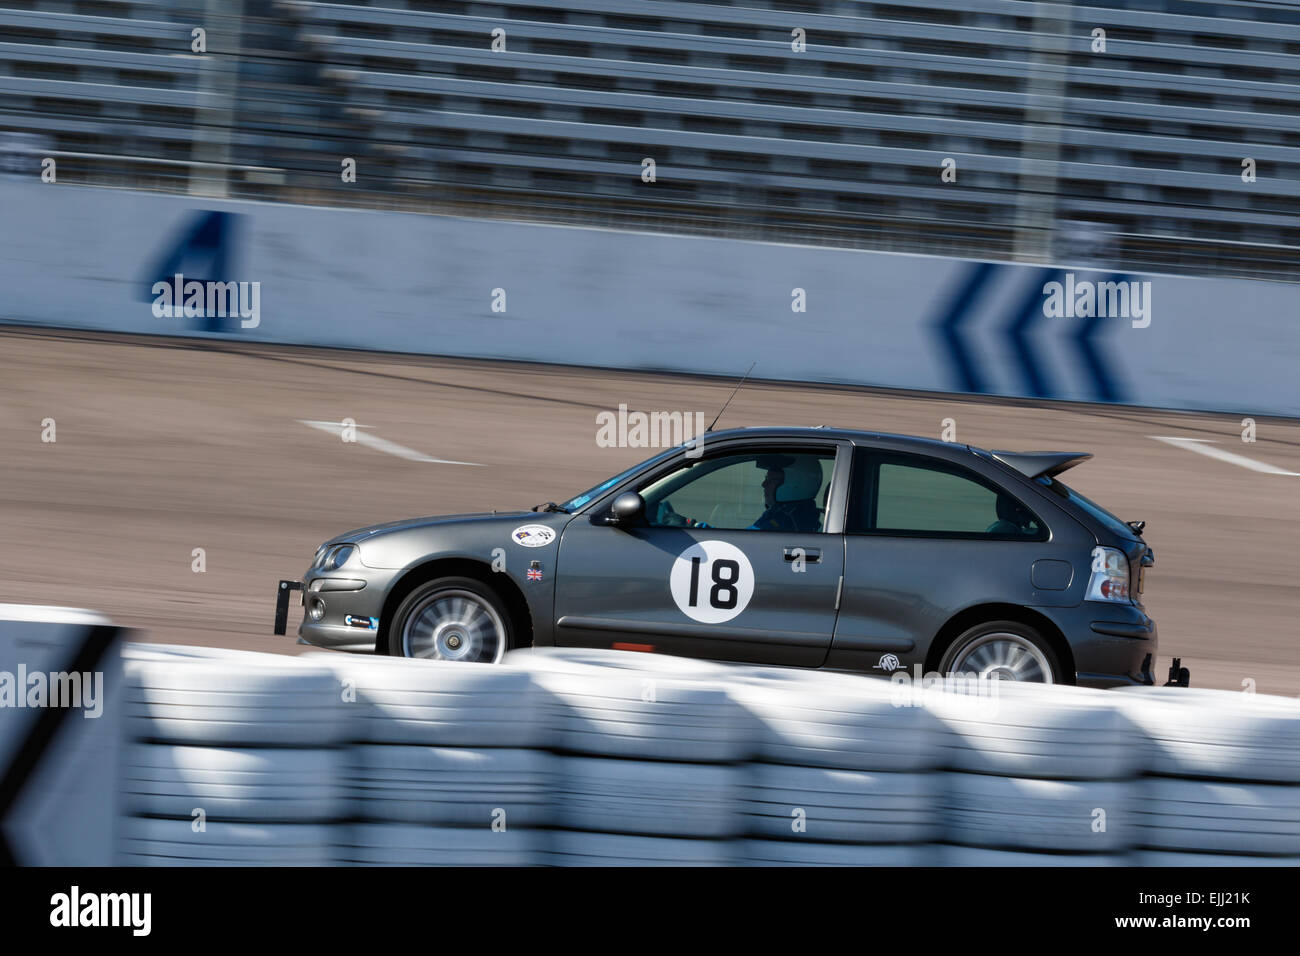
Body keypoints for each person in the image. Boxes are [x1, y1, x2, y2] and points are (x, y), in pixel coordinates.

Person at [655, 454, 824, 532]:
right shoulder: (796, 513)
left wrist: (691, 526)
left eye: (771, 480)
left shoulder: (784, 520)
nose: (763, 484)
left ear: (795, 484)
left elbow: (746, 544)